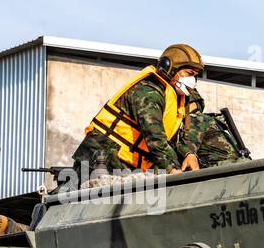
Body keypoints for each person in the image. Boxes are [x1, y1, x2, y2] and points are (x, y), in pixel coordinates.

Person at [73, 43, 204, 176]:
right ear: (169, 68)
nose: (192, 80)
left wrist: (188, 153)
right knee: (70, 193)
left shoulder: (174, 99)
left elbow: (177, 136)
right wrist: (173, 169)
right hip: (100, 156)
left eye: (195, 75)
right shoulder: (147, 93)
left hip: (124, 162)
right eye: (189, 73)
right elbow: (155, 137)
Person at [182, 88, 245, 167]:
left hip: (221, 169)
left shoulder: (195, 119)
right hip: (235, 166)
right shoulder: (210, 120)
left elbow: (188, 147)